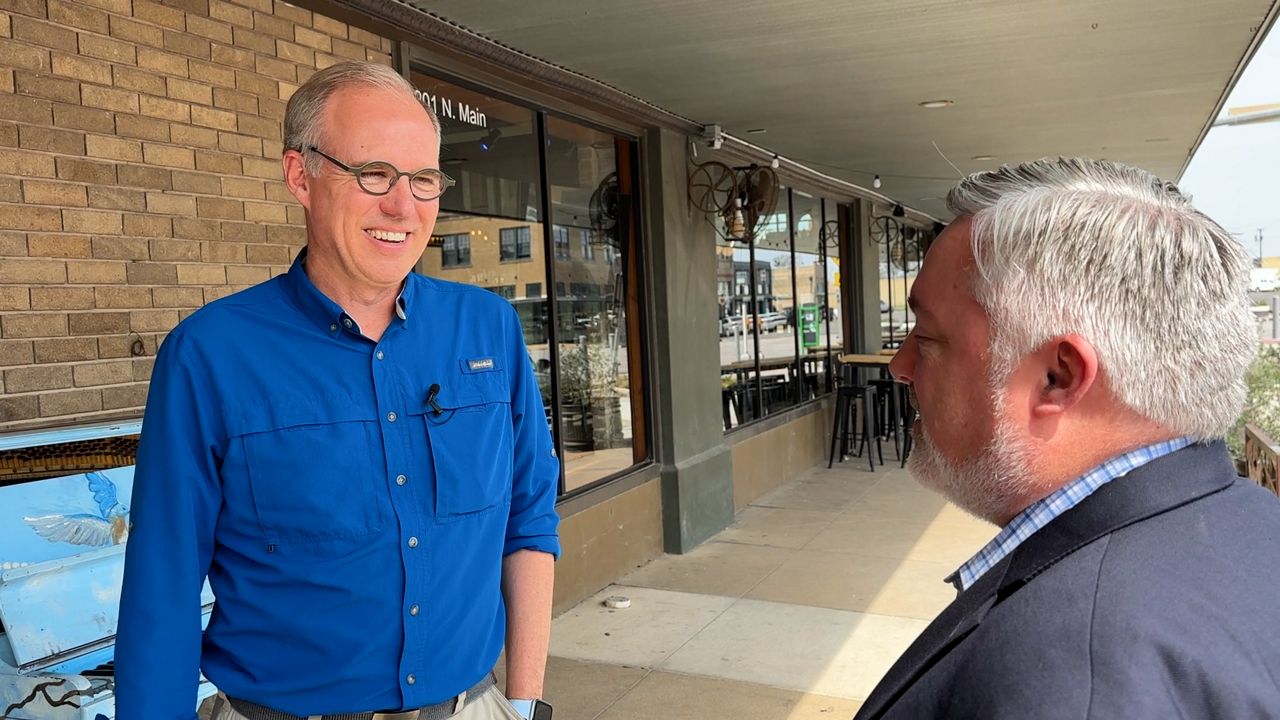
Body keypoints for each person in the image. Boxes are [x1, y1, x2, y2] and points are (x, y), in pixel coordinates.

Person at [116, 61, 560, 720]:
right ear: (302, 175)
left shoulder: (489, 329)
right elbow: (162, 586)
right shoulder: (210, 356)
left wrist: (524, 705)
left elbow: (529, 518)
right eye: (374, 174)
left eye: (424, 180)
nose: (403, 208)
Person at [855, 158, 1280, 719]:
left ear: (1057, 379)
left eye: (928, 337)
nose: (900, 365)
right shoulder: (1252, 518)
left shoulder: (1071, 681)